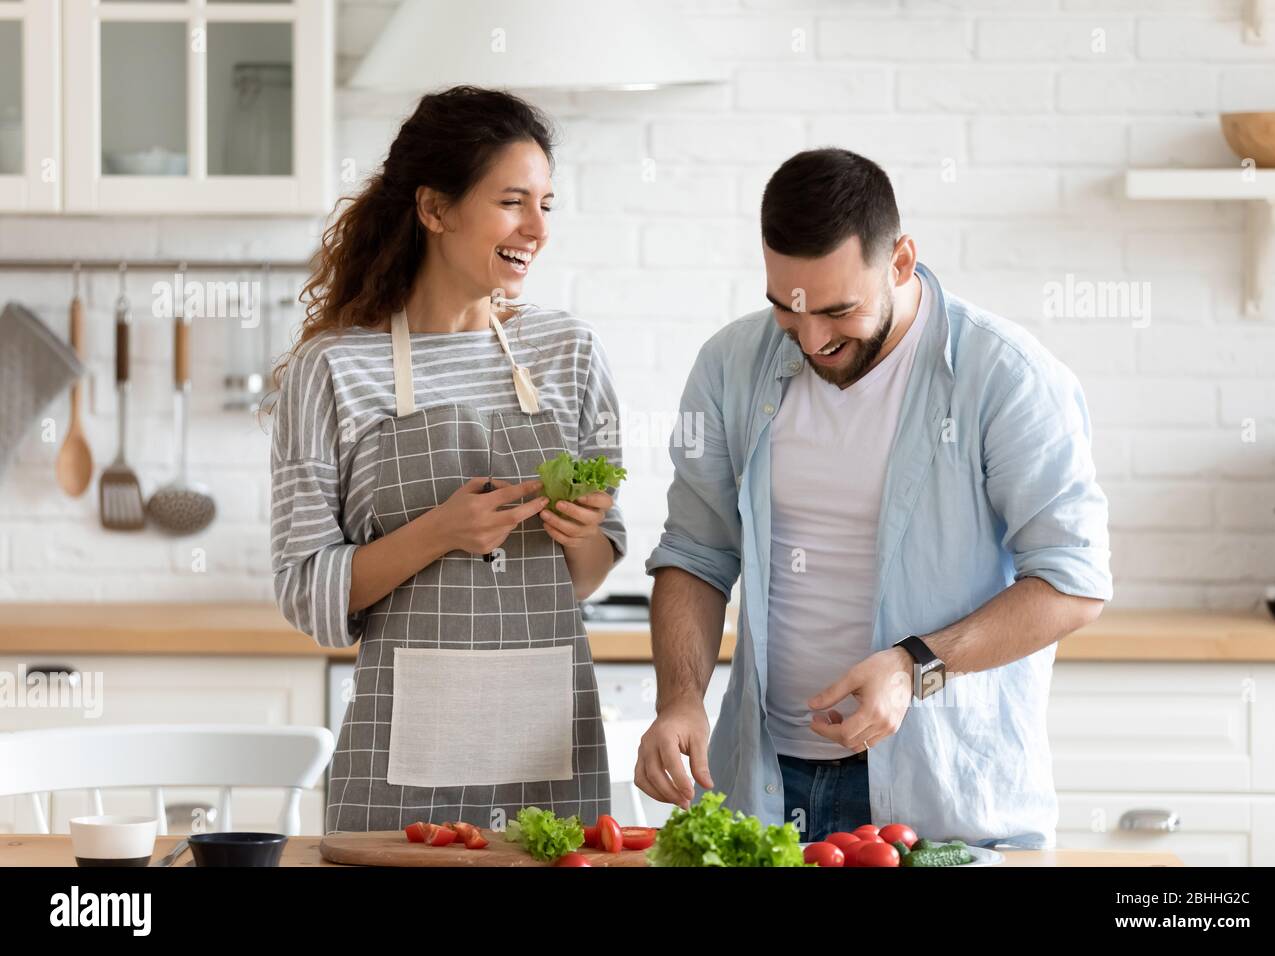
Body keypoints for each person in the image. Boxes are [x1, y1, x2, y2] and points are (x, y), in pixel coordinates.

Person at [636, 148, 1111, 847]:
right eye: (787, 310)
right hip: (765, 786)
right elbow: (696, 553)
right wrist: (679, 699)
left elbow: (1074, 584)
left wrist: (915, 665)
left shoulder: (1005, 378)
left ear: (901, 261)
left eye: (838, 311)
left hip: (941, 804)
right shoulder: (729, 366)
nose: (814, 339)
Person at [269, 87, 627, 833]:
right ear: (435, 209)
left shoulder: (569, 354)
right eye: (512, 202)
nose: (537, 228)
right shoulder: (335, 369)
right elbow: (308, 593)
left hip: (548, 751)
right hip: (402, 760)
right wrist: (442, 531)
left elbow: (586, 578)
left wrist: (580, 528)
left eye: (547, 205)